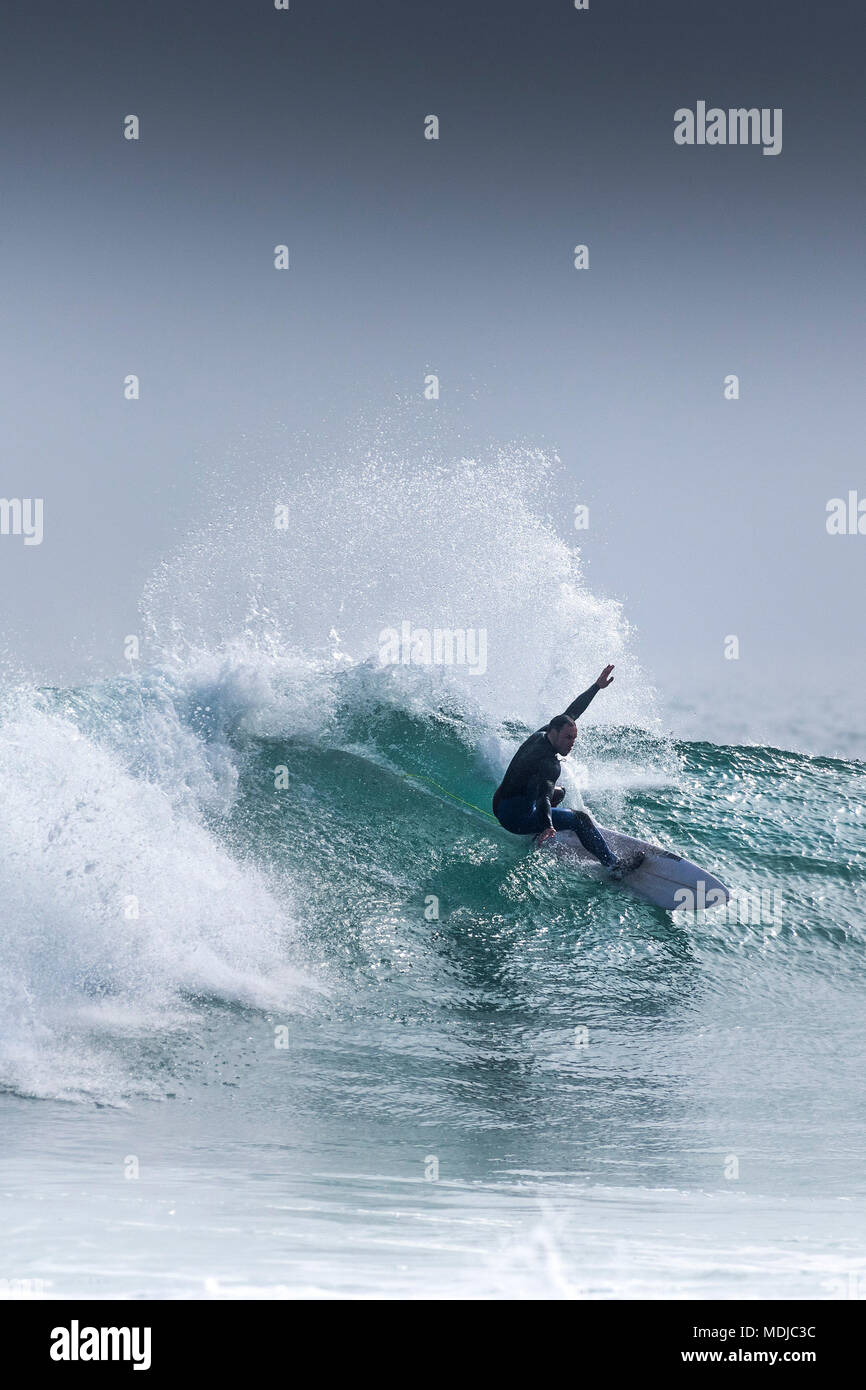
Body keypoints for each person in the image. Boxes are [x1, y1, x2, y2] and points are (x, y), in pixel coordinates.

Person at [492, 664, 644, 879]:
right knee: (579, 819)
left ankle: (540, 827)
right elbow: (544, 795)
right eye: (568, 738)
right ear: (554, 733)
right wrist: (548, 825)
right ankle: (613, 865)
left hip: (500, 802)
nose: (571, 743)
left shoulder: (541, 734)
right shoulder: (548, 763)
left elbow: (573, 712)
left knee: (560, 793)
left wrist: (596, 687)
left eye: (574, 738)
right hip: (515, 819)